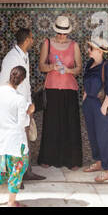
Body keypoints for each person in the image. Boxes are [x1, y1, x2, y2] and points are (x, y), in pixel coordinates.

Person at [36, 14, 82, 170]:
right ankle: (48, 158)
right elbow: (41, 66)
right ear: (56, 30)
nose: (62, 36)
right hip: (52, 88)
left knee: (70, 124)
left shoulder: (74, 45)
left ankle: (72, 160)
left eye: (65, 33)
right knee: (51, 123)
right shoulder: (47, 43)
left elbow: (79, 68)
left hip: (69, 88)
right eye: (60, 33)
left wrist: (68, 70)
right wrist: (52, 67)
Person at [0, 27, 44, 181]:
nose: (33, 40)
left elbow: (25, 84)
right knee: (17, 142)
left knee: (25, 140)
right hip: (16, 108)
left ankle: (26, 172)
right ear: (27, 40)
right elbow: (1, 81)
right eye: (32, 37)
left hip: (25, 107)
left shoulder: (24, 56)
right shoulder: (11, 58)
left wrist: (29, 104)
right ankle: (16, 176)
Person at [0, 65, 33, 207]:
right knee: (17, 171)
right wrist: (29, 112)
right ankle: (11, 202)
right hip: (17, 143)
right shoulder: (20, 99)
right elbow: (22, 123)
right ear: (22, 81)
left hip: (3, 139)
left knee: (1, 168)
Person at [81, 34, 108, 183]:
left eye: (91, 48)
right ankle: (98, 162)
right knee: (92, 134)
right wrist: (84, 97)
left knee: (104, 137)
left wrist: (104, 108)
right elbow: (85, 81)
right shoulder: (90, 63)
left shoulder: (107, 66)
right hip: (89, 103)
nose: (88, 50)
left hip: (100, 104)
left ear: (99, 51)